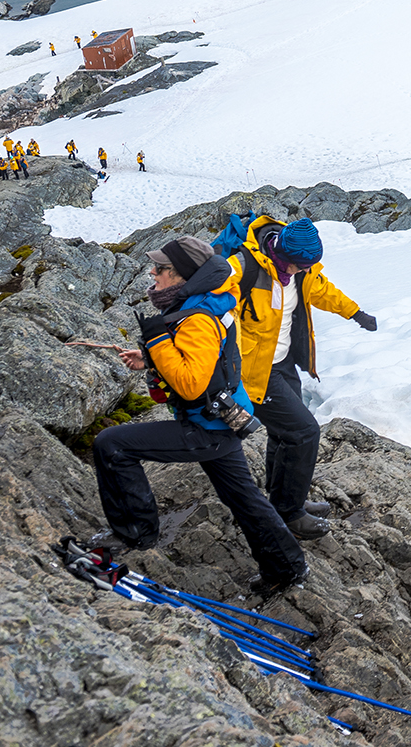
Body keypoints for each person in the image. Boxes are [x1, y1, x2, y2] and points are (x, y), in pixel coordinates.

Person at [89, 236, 306, 594]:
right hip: (222, 419)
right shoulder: (208, 301)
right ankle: (288, 567)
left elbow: (190, 384)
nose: (153, 273)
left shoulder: (198, 317)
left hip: (207, 426)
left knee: (112, 445)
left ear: (183, 275)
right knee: (244, 499)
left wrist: (158, 343)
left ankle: (135, 534)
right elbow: (208, 361)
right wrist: (152, 357)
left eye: (161, 269)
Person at [223, 215, 377, 539]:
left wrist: (355, 313)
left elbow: (323, 291)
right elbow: (220, 312)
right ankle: (290, 513)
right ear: (283, 254)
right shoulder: (246, 269)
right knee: (305, 431)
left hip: (283, 363)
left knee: (284, 435)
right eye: (300, 266)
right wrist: (229, 370)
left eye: (308, 266)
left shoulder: (300, 270)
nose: (305, 271)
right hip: (255, 371)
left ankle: (281, 504)